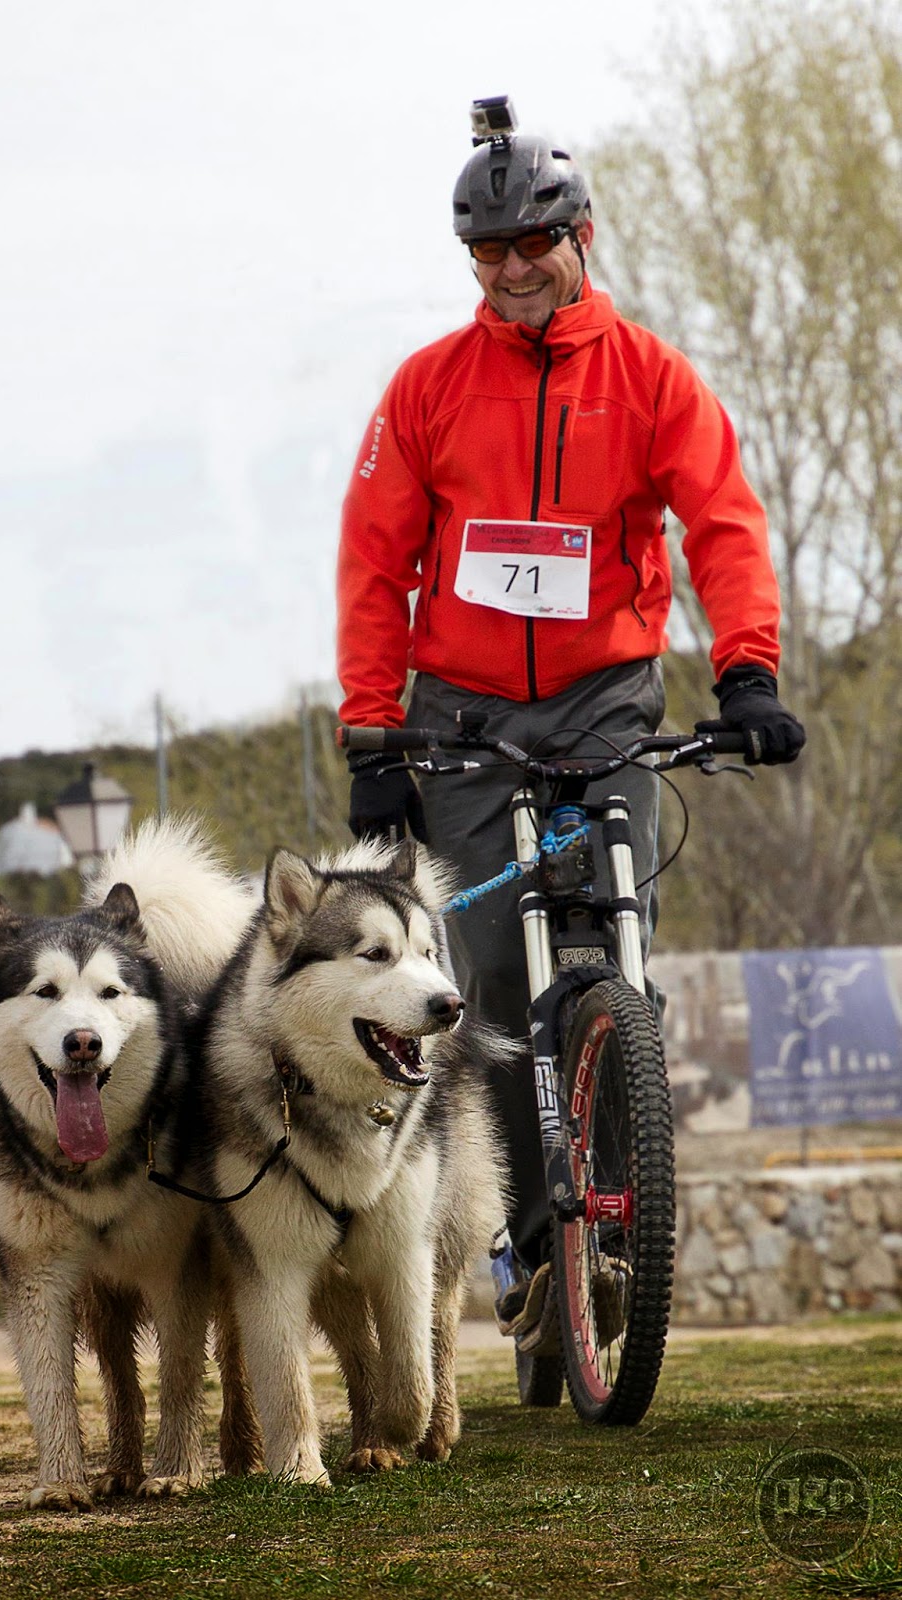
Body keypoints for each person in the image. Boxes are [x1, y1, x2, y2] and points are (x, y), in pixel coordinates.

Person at [335, 100, 805, 1302]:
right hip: (465, 720)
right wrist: (372, 729)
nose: (510, 269)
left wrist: (745, 669)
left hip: (604, 706)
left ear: (579, 234)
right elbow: (373, 562)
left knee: (620, 952)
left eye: (530, 243)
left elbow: (724, 525)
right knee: (485, 980)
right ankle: (534, 1243)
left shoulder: (652, 377)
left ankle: (619, 1196)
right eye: (485, 252)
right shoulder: (427, 387)